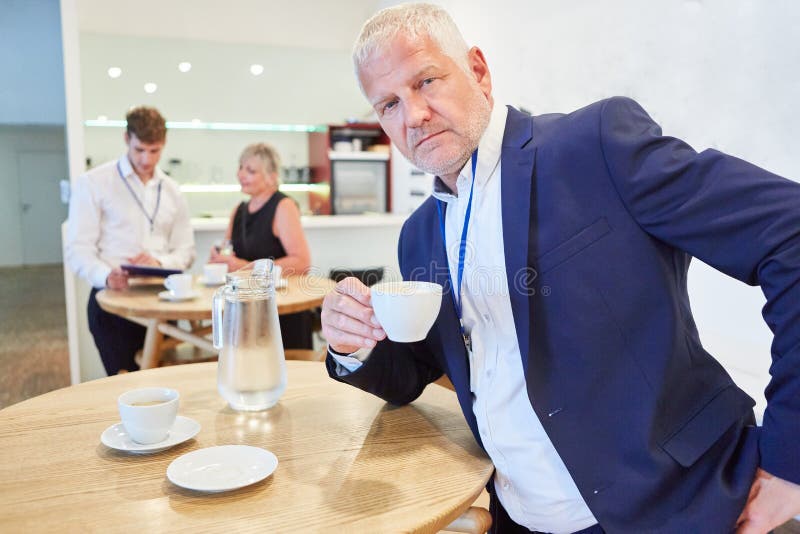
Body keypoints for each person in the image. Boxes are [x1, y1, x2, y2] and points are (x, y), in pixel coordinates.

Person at [320, 4, 800, 533]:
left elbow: (791, 234)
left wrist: (789, 460)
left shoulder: (594, 146)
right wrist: (353, 343)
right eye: (388, 104)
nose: (412, 116)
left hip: (672, 507)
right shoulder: (420, 234)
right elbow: (421, 370)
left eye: (426, 80)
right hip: (517, 516)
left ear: (477, 70)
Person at [66, 106, 195, 375]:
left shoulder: (172, 191)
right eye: (139, 150)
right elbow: (78, 249)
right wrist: (105, 275)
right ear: (127, 139)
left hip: (163, 301)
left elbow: (186, 250)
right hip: (115, 301)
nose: (147, 160)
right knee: (124, 387)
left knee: (166, 384)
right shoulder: (94, 183)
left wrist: (160, 261)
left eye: (155, 150)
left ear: (164, 144)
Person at [209, 142, 312, 348]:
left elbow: (302, 262)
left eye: (251, 170)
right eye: (240, 167)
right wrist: (219, 257)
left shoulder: (284, 206)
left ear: (272, 176)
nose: (241, 174)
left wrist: (242, 266)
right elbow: (228, 252)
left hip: (281, 312)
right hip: (245, 310)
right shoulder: (238, 211)